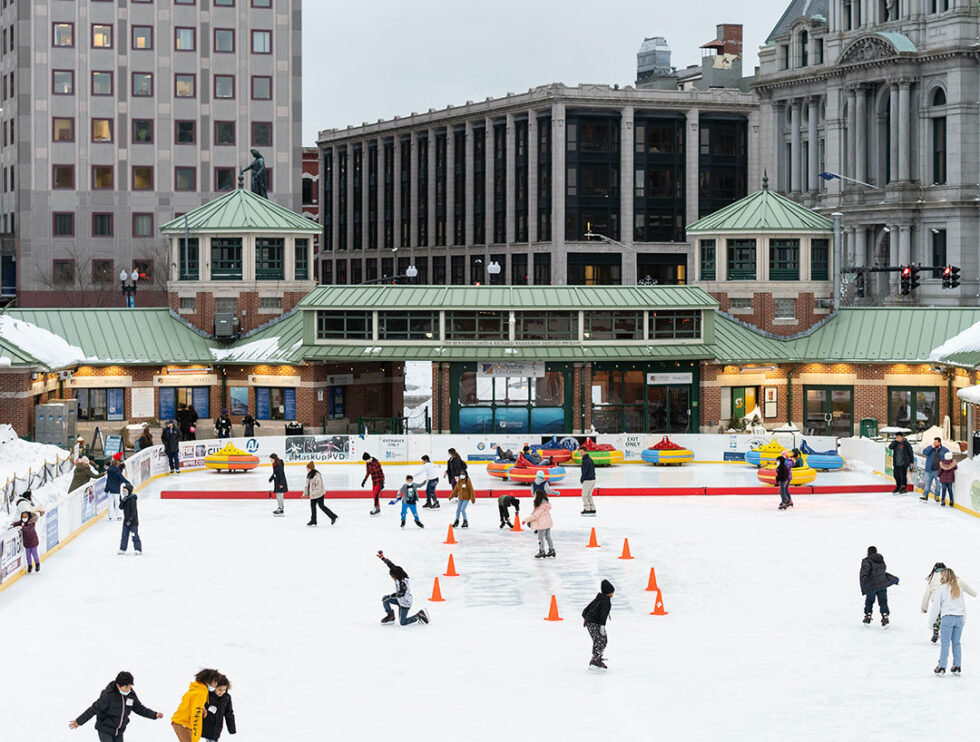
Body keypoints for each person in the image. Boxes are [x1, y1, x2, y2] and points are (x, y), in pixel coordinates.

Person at [70, 670, 164, 740]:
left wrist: (154, 714)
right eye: (126, 687)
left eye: (130, 686)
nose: (128, 689)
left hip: (119, 730)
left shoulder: (131, 695)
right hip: (105, 729)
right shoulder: (108, 696)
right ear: (118, 685)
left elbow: (139, 708)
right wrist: (78, 721)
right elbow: (93, 709)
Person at [928, 568, 976, 675]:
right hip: (959, 618)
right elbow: (963, 606)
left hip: (947, 618)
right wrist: (963, 620)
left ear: (944, 577)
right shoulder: (958, 588)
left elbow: (936, 608)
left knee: (945, 644)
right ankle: (957, 665)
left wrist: (931, 623)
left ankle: (942, 666)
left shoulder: (941, 589)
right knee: (956, 643)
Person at [376, 550, 429, 625]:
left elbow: (401, 593)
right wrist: (383, 558)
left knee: (403, 622)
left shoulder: (402, 583)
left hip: (405, 604)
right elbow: (391, 565)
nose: (391, 577)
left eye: (392, 576)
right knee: (385, 599)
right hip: (399, 600)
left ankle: (419, 615)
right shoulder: (398, 573)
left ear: (396, 575)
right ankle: (391, 616)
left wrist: (390, 596)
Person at [171, 669, 223, 742]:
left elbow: (192, 705)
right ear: (208, 680)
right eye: (215, 682)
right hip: (182, 723)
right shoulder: (200, 693)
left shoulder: (197, 688)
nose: (216, 685)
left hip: (182, 722)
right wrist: (196, 737)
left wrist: (202, 707)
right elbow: (196, 716)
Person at [860, 546, 899, 627]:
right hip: (882, 585)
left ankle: (868, 616)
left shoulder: (867, 561)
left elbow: (865, 570)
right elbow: (883, 571)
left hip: (871, 585)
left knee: (869, 601)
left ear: (868, 552)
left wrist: (864, 579)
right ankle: (885, 616)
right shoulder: (880, 560)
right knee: (883, 601)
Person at [582, 579, 615, 670]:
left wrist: (586, 619)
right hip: (596, 623)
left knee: (598, 640)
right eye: (612, 592)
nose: (613, 594)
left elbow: (585, 611)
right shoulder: (606, 601)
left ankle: (596, 658)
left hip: (590, 622)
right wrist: (602, 625)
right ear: (609, 592)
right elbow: (603, 614)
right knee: (602, 640)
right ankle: (596, 659)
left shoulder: (598, 598)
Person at [200, 674, 236, 742]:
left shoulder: (227, 697)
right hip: (204, 728)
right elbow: (199, 707)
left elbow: (229, 713)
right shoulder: (207, 695)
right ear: (214, 687)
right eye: (219, 690)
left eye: (224, 690)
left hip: (216, 729)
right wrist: (208, 708)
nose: (221, 692)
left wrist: (232, 728)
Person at [922, 562, 949, 643]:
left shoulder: (932, 577)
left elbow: (926, 594)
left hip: (935, 598)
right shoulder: (948, 575)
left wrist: (924, 607)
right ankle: (945, 632)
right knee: (945, 615)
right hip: (946, 598)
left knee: (937, 614)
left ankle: (936, 630)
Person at [304, 461, 337, 527]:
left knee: (321, 506)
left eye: (308, 468)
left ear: (311, 468)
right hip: (313, 494)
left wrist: (313, 493)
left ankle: (333, 516)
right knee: (313, 506)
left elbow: (319, 487)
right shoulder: (309, 475)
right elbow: (307, 486)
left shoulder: (317, 475)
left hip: (319, 494)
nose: (307, 469)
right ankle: (313, 520)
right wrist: (305, 494)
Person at [526, 487, 555, 559]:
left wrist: (526, 520)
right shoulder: (546, 506)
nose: (534, 496)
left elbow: (535, 516)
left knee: (540, 537)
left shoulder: (540, 507)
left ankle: (542, 551)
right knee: (548, 536)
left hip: (542, 524)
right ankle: (552, 550)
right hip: (548, 523)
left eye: (535, 494)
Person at [919, 437, 949, 502]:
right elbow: (924, 452)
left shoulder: (944, 450)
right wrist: (931, 447)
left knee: (938, 484)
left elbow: (948, 458)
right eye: (934, 442)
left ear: (939, 442)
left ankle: (937, 496)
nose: (935, 443)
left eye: (936, 442)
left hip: (938, 471)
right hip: (929, 470)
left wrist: (943, 464)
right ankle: (925, 495)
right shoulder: (930, 448)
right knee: (927, 483)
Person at [118, 485, 142, 556]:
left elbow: (133, 511)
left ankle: (138, 549)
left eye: (125, 491)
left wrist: (130, 520)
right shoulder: (125, 498)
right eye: (123, 491)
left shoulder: (132, 499)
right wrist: (122, 501)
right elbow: (120, 507)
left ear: (129, 491)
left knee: (134, 536)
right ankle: (122, 549)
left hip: (133, 522)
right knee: (124, 536)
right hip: (126, 522)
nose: (124, 492)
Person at [580, 451, 597, 516]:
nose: (580, 453)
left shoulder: (585, 461)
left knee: (584, 495)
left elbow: (584, 471)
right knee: (589, 495)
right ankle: (592, 508)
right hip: (592, 479)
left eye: (581, 452)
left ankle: (587, 508)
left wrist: (582, 479)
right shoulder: (590, 459)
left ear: (585, 452)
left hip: (587, 480)